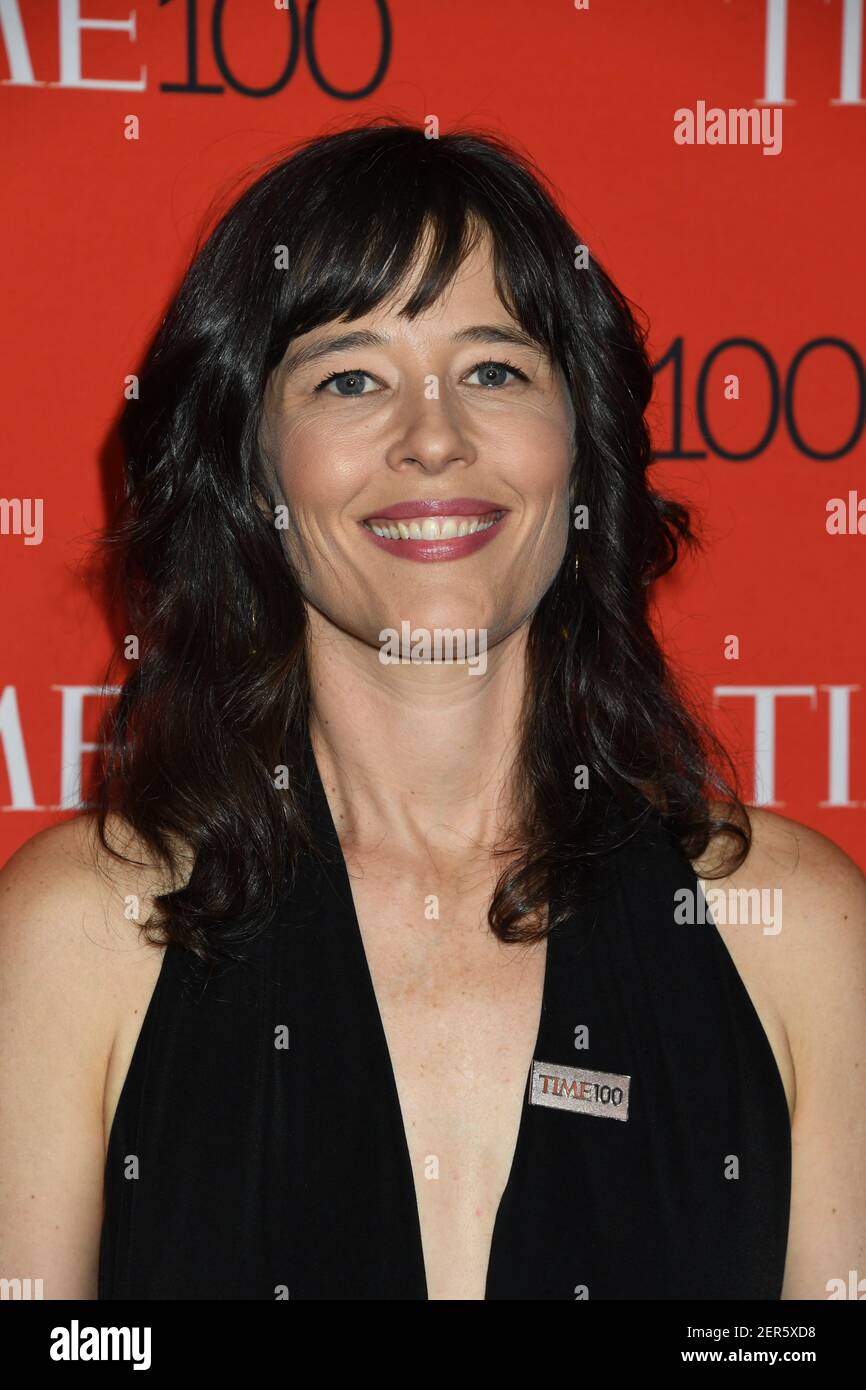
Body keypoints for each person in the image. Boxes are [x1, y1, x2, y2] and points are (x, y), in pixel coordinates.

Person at [1, 121, 864, 1302]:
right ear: (253, 471)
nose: (434, 437)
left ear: (579, 449)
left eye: (494, 368)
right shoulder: (76, 939)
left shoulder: (793, 936)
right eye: (349, 376)